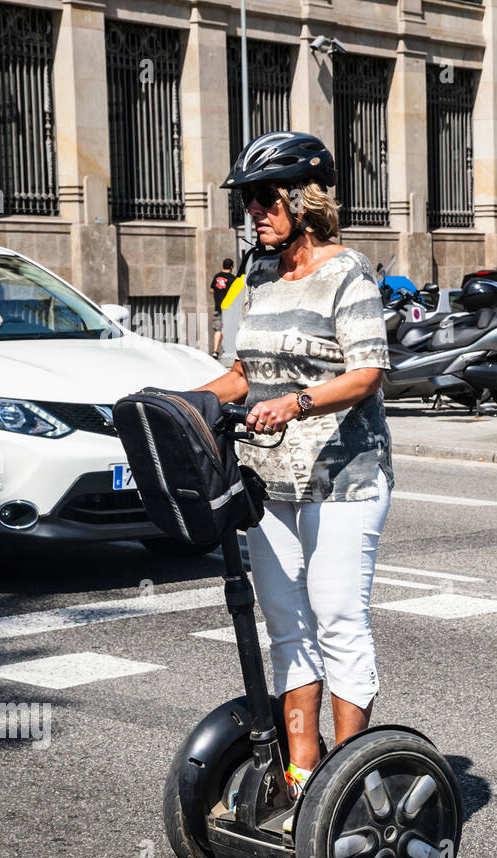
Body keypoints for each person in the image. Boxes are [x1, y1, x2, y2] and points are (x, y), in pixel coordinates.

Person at [194, 131, 394, 809]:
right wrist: (187, 399)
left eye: (262, 197)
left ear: (303, 200)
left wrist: (298, 402)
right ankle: (303, 770)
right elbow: (243, 374)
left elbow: (367, 372)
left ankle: (348, 777)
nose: (252, 210)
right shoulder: (256, 276)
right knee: (286, 624)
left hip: (345, 478)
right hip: (269, 480)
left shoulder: (349, 272)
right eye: (247, 200)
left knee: (337, 616)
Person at [209, 258, 236, 359]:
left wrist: (219, 292)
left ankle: (215, 351)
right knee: (229, 329)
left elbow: (211, 290)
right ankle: (228, 349)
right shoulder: (232, 279)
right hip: (229, 308)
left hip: (218, 308)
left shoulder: (217, 277)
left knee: (218, 329)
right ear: (231, 267)